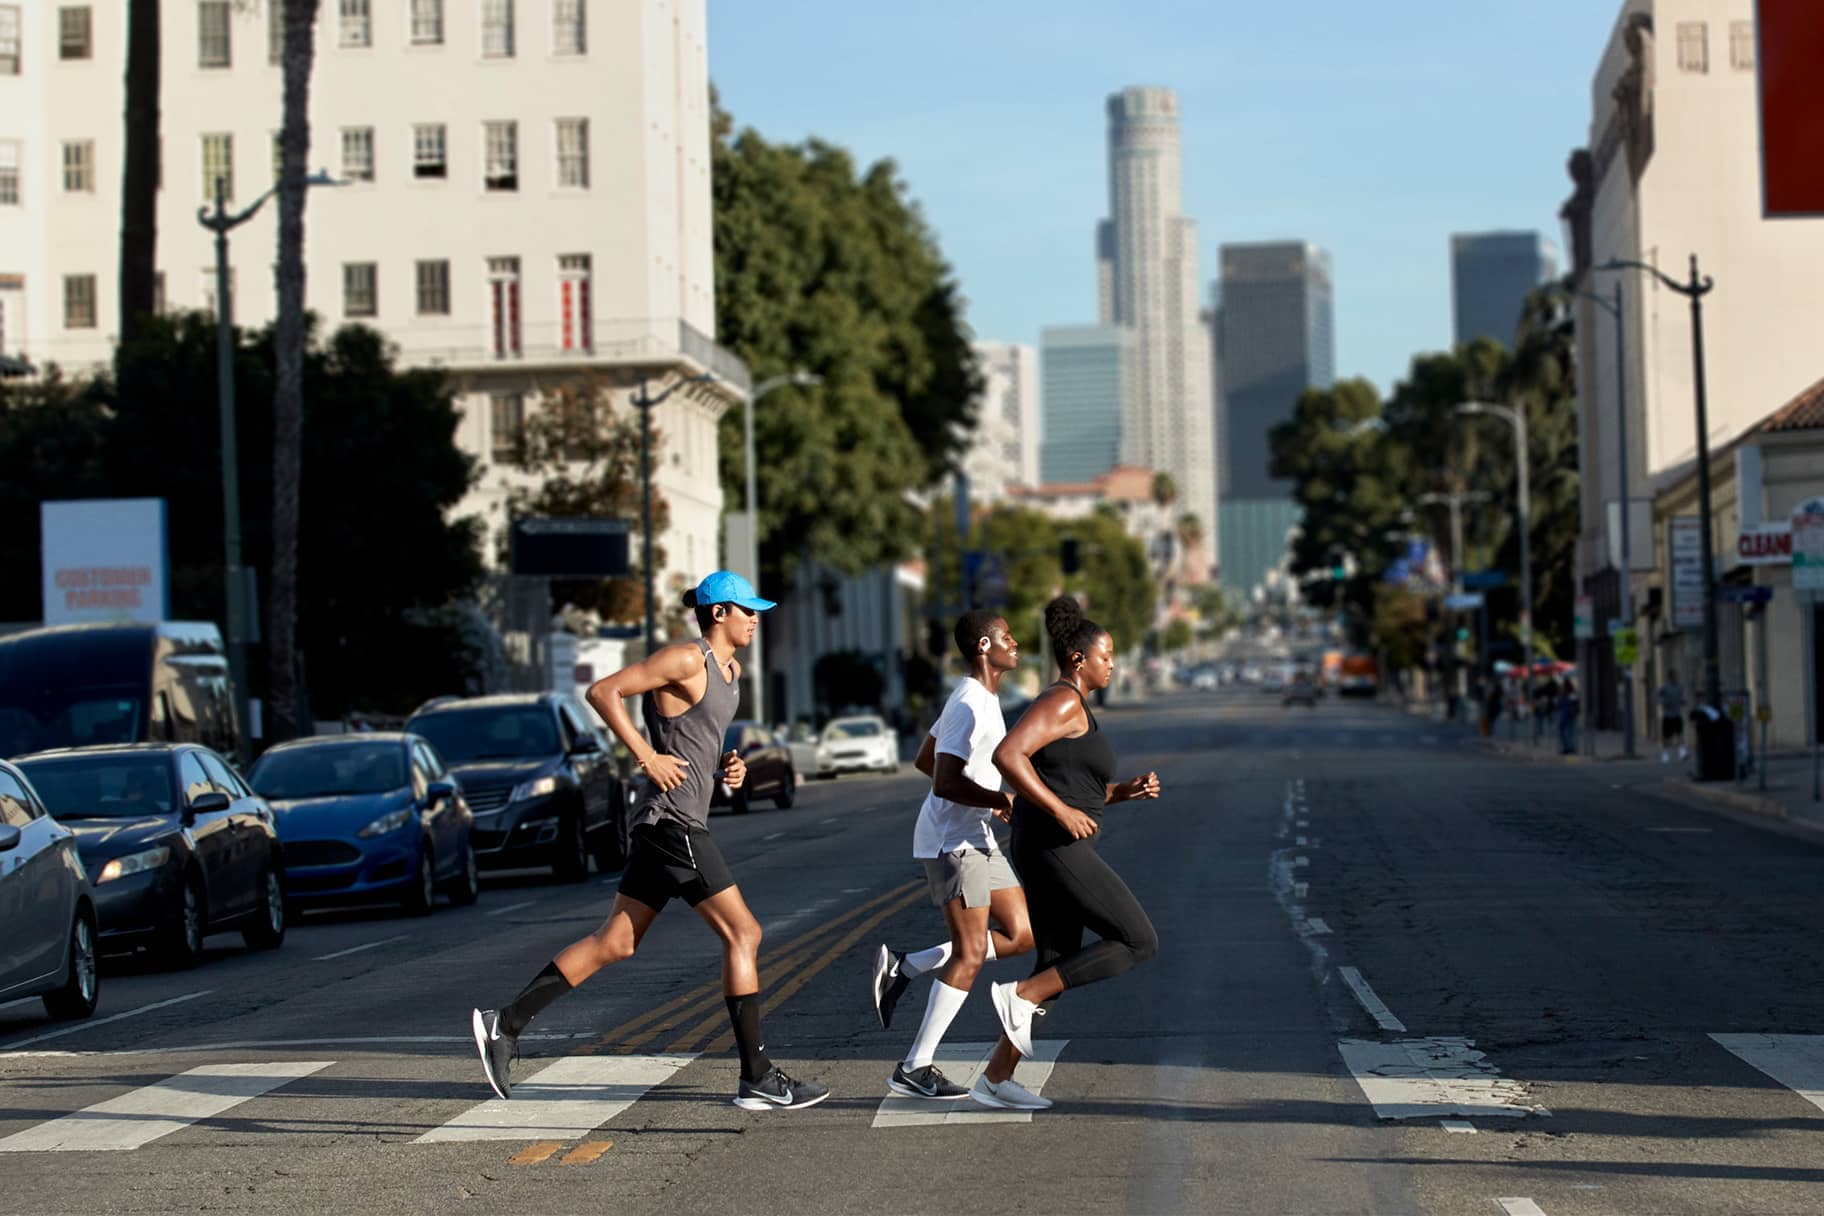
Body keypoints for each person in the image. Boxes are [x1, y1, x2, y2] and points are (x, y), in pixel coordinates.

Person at [470, 571, 828, 1112]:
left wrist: (726, 765)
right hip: (671, 823)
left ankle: (505, 1024)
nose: (756, 619)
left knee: (616, 942)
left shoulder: (731, 673)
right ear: (718, 613)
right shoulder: (687, 659)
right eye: (747, 610)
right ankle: (756, 1076)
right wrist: (646, 756)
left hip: (673, 822)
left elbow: (695, 736)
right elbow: (602, 691)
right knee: (744, 933)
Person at [869, 610, 1044, 1110]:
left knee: (1022, 933)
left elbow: (926, 759)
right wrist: (996, 798)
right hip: (954, 843)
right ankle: (914, 1066)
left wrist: (984, 801)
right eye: (1007, 637)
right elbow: (943, 778)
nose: (1015, 643)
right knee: (969, 955)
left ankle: (909, 964)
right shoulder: (968, 702)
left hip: (976, 836)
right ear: (985, 646)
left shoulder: (980, 698)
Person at [985, 596, 1161, 1072]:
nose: (1112, 664)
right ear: (1079, 659)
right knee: (1137, 940)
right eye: (1107, 655)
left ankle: (996, 1077)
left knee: (1056, 962)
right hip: (1053, 845)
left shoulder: (1075, 705)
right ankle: (1021, 994)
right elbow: (1008, 755)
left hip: (1049, 842)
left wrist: (1122, 792)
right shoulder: (1062, 700)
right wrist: (1061, 813)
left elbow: (1074, 786)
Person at [1658, 674, 1687, 763]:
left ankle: (1682, 753)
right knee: (1666, 737)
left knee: (1680, 734)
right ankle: (1665, 754)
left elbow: (1682, 698)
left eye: (1675, 677)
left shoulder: (1679, 687)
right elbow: (1657, 696)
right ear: (1669, 678)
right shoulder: (1664, 687)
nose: (1674, 679)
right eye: (1672, 677)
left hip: (1677, 714)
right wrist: (1663, 702)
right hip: (1667, 715)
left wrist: (1682, 701)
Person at [1557, 676, 1578, 755]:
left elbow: (1559, 704)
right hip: (1568, 715)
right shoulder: (1569, 693)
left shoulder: (1564, 694)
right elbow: (1574, 703)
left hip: (1565, 715)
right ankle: (1569, 747)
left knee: (1566, 732)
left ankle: (1568, 748)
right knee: (1569, 732)